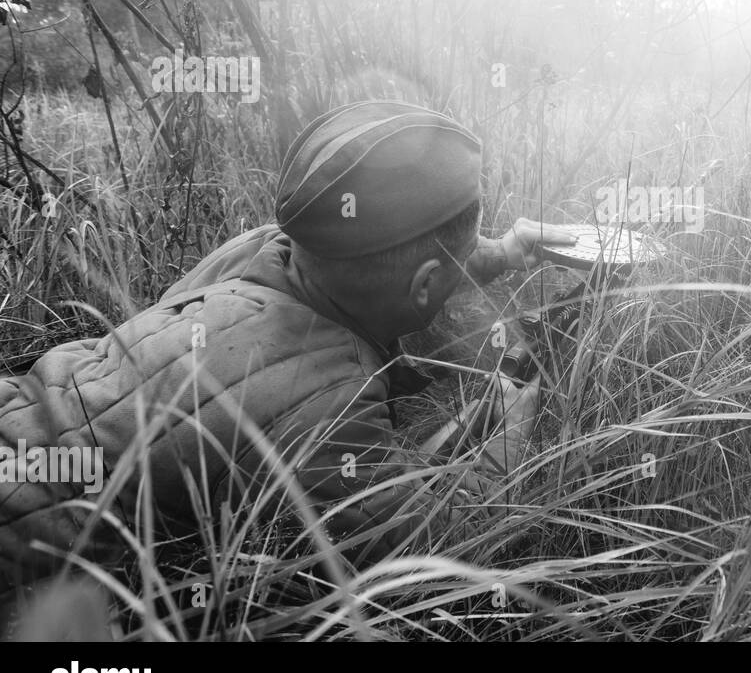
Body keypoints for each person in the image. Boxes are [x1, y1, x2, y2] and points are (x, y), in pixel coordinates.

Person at [0, 99, 573, 591]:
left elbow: (411, 258)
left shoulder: (263, 250)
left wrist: (502, 252)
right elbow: (443, 549)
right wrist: (509, 437)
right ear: (425, 286)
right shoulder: (330, 410)